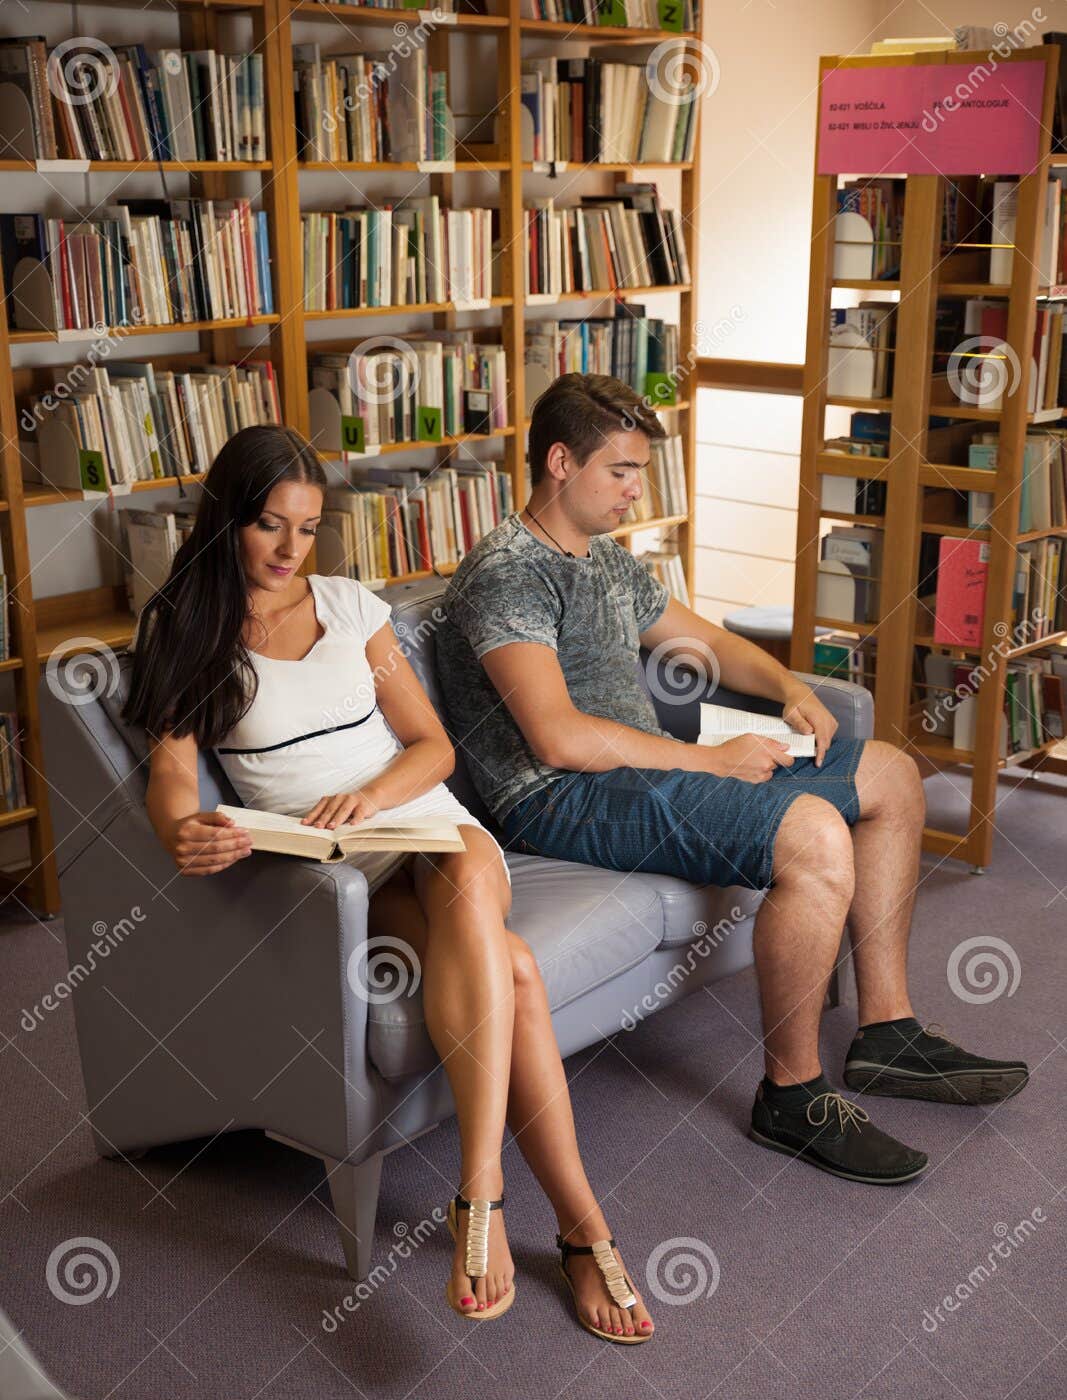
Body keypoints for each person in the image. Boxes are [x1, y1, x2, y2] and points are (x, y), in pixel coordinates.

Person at [124, 424, 653, 1343]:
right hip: (330, 869)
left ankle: (481, 1193)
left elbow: (432, 746)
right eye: (269, 527)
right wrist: (182, 833)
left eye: (308, 527)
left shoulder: (349, 606)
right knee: (515, 971)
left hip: (423, 823)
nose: (292, 551)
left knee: (462, 875)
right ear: (226, 522)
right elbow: (172, 779)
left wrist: (369, 794)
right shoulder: (186, 630)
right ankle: (579, 1231)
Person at [436, 374, 1029, 1187]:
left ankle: (886, 1034)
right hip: (553, 798)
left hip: (633, 771)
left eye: (640, 470)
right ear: (559, 462)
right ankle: (791, 1096)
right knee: (812, 832)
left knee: (890, 774)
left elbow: (701, 640)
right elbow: (559, 738)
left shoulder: (605, 560)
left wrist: (788, 688)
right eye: (619, 471)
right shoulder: (508, 573)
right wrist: (713, 761)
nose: (634, 488)